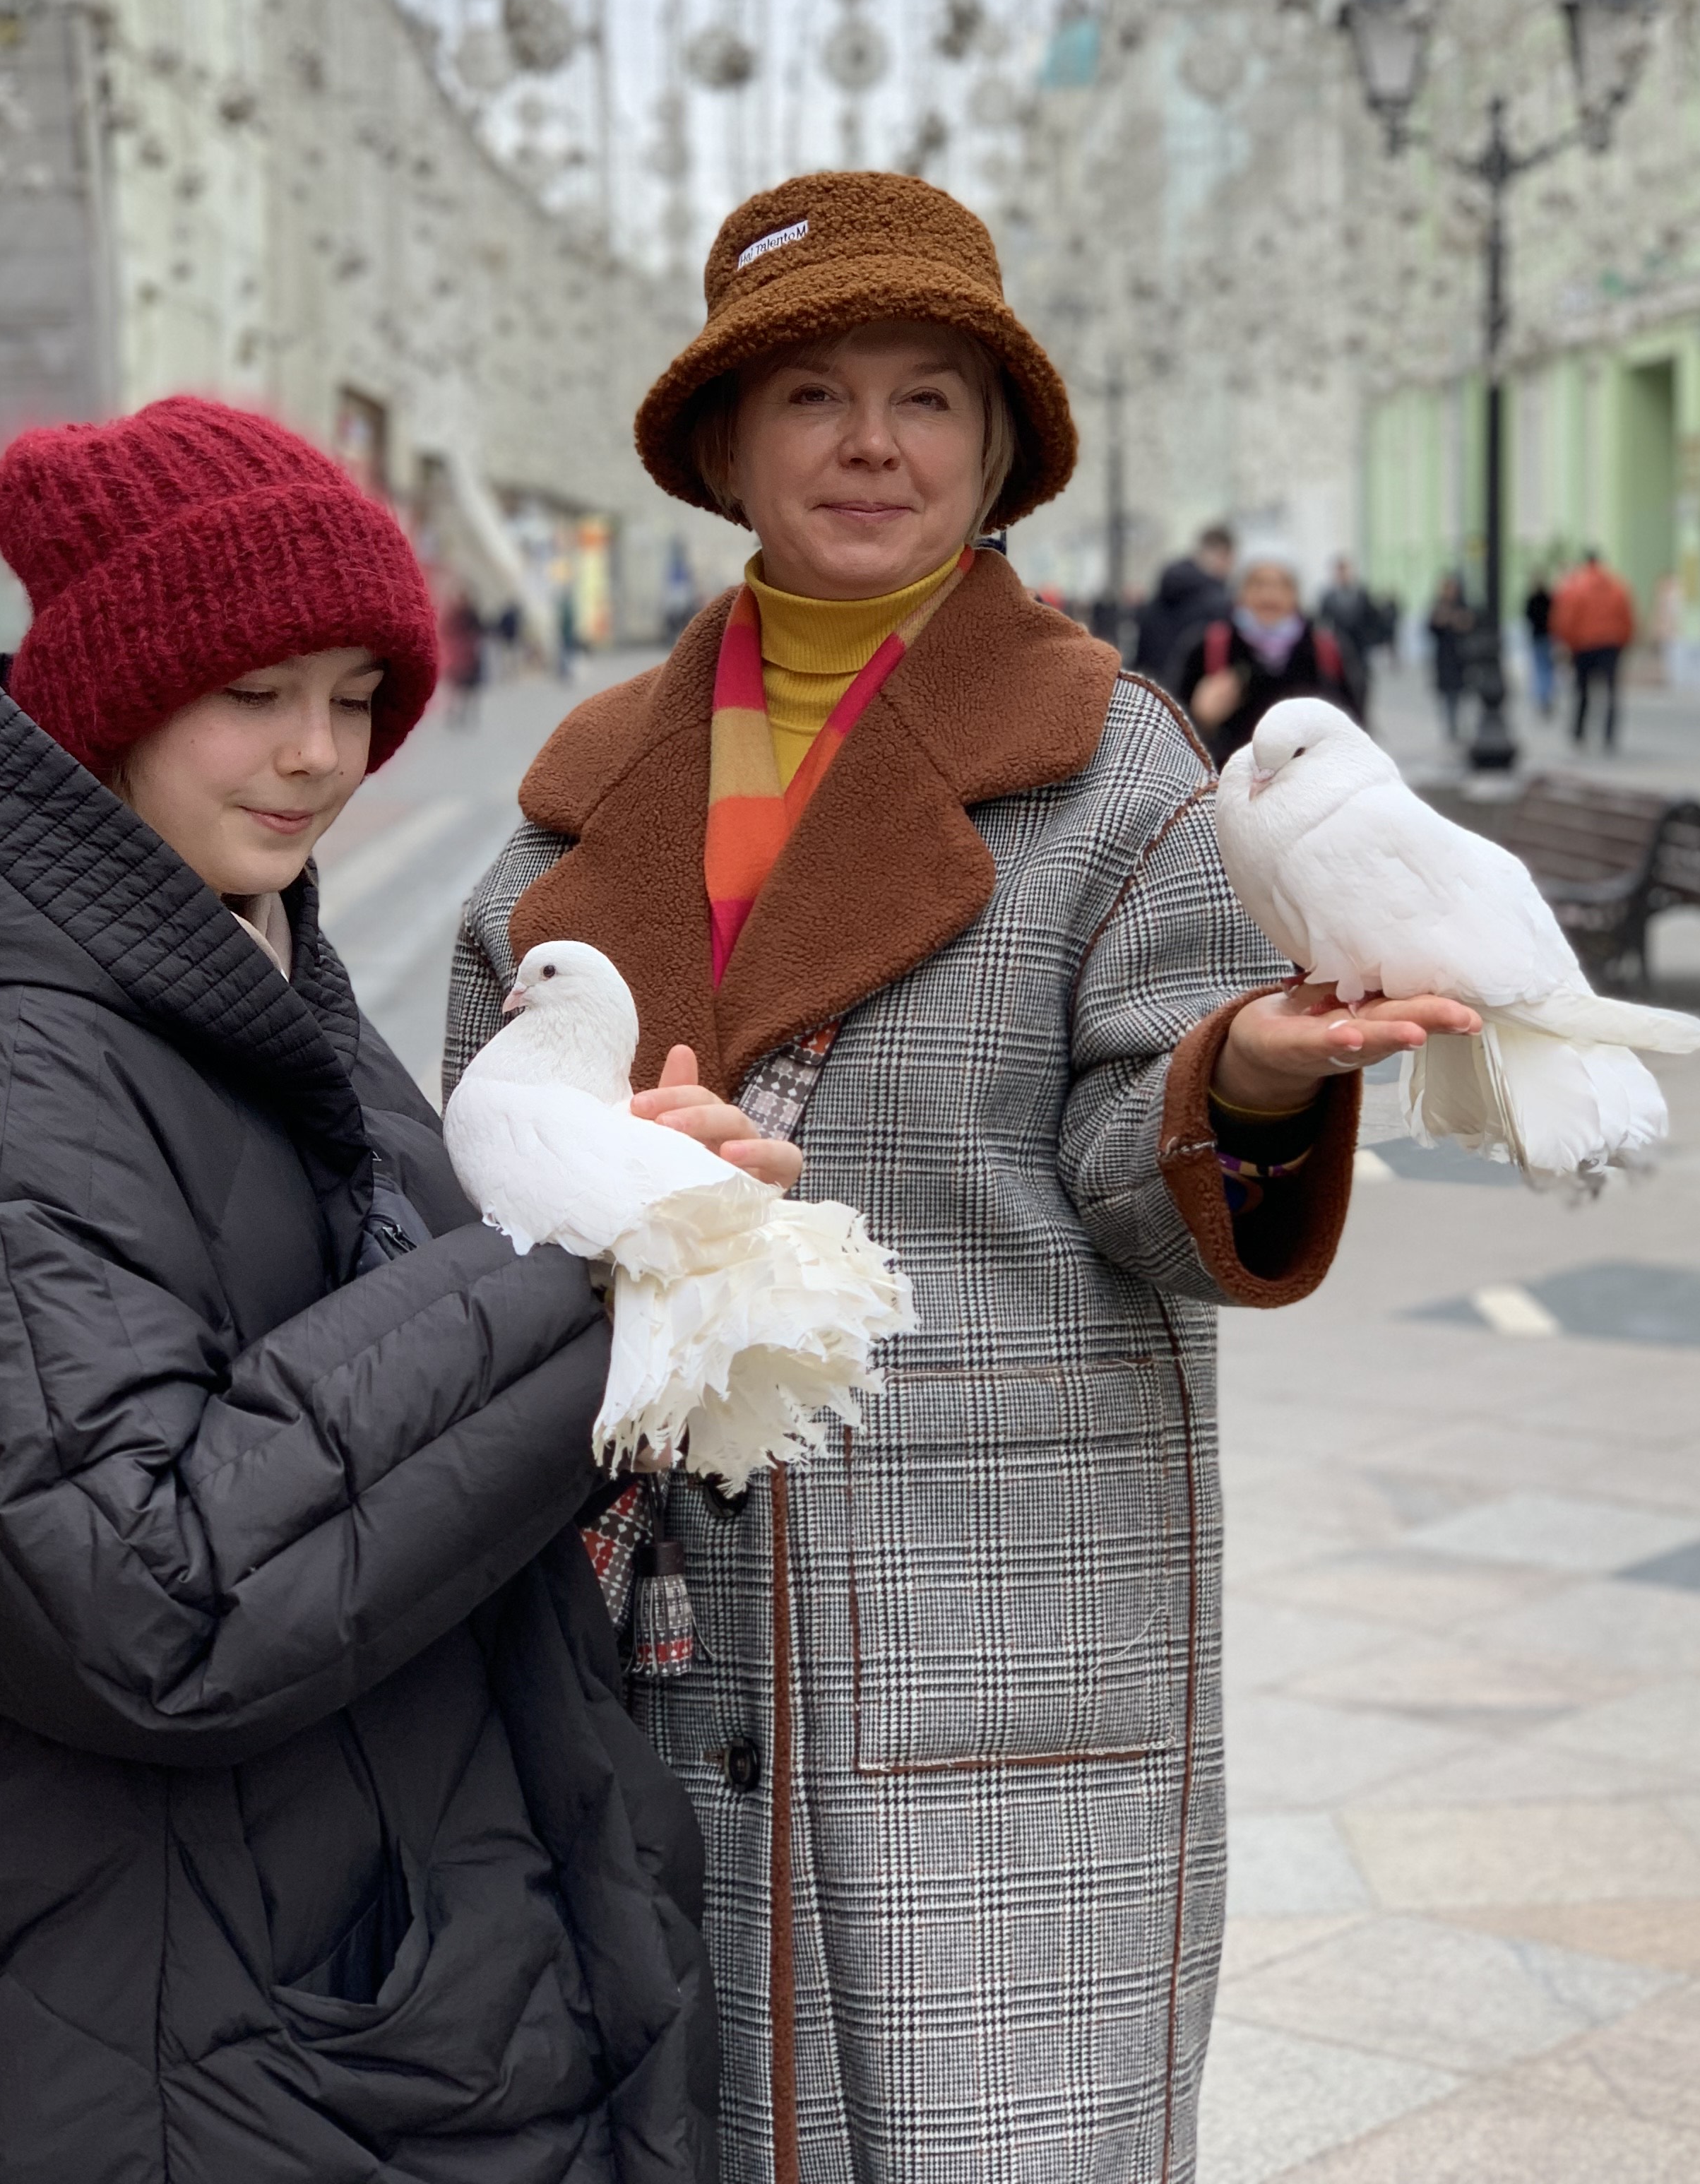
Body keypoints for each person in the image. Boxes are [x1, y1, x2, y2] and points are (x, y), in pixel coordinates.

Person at [442, 173, 1480, 2184]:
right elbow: (468, 1183)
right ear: (726, 446)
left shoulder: (1120, 771)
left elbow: (1133, 1172)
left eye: (929, 396)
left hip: (996, 1617)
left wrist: (1236, 1073)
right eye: (814, 392)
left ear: (998, 448)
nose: (872, 443)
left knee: (992, 2127)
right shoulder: (575, 797)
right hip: (652, 1612)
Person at [0, 398, 716, 2184]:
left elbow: (393, 1371)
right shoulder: (1, 1087)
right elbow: (147, 1597)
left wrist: (613, 1198)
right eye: (256, 695)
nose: (319, 754)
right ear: (117, 700)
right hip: (196, 2040)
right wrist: (588, 1282)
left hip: (348, 1983)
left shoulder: (251, 979)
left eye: (356, 694)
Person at [1177, 552, 1367, 766]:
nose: (1269, 596)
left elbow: (1356, 729)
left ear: (1296, 594)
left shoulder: (1326, 649)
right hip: (1228, 790)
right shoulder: (1207, 648)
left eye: (1282, 585)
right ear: (1240, 592)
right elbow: (1169, 739)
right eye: (1258, 584)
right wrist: (1199, 719)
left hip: (1311, 792)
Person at [1134, 521, 1235, 689]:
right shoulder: (1216, 600)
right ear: (1223, 555)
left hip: (1156, 685)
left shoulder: (1164, 588)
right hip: (1195, 691)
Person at [1552, 546, 1635, 747]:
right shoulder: (1617, 586)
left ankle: (1580, 731)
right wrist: (1622, 642)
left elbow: (1566, 620)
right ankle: (1609, 734)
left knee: (1582, 690)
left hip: (1583, 645)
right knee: (1611, 691)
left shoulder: (1576, 586)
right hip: (1610, 644)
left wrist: (1568, 644)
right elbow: (1627, 618)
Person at [1427, 569, 1478, 740]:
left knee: (1460, 693)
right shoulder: (1439, 604)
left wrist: (1453, 620)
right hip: (1444, 657)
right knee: (1446, 694)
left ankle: (1457, 724)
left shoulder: (1462, 605)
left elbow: (1469, 623)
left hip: (1460, 657)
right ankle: (1450, 725)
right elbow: (1433, 625)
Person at [1316, 552, 1381, 663]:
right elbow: (1323, 620)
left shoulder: (1361, 594)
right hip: (1338, 645)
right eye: (1339, 570)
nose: (1343, 574)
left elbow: (1373, 617)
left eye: (1345, 570)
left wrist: (1369, 638)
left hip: (1360, 645)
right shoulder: (1328, 597)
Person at [440, 576, 484, 723]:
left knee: (466, 688)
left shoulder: (468, 612)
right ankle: (455, 713)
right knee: (457, 687)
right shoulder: (458, 613)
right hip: (460, 655)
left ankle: (463, 713)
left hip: (467, 655)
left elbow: (479, 630)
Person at [1524, 570, 1557, 719]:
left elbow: (1528, 617)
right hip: (1547, 637)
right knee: (1546, 668)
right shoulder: (1548, 599)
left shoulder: (1533, 599)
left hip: (1539, 637)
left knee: (1540, 668)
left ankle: (1543, 696)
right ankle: (1546, 696)